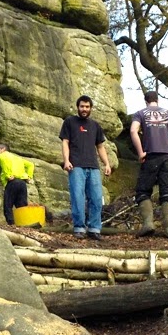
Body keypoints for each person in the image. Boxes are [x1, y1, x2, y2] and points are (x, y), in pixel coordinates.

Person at [130, 90, 168, 237]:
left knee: (143, 192)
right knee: (166, 192)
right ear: (157, 100)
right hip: (166, 157)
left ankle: (148, 224)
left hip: (150, 156)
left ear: (146, 101)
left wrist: (140, 153)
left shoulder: (140, 114)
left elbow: (133, 131)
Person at [59, 95, 112, 240]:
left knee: (96, 198)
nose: (84, 109)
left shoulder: (95, 125)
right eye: (82, 106)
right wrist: (66, 160)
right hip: (76, 165)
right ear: (78, 107)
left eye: (87, 107)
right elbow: (65, 142)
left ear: (91, 108)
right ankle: (79, 228)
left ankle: (94, 229)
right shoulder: (70, 121)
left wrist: (107, 164)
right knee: (78, 197)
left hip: (93, 167)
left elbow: (100, 146)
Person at [0, 144, 35, 225]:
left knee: (8, 204)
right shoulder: (17, 158)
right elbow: (31, 165)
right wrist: (29, 176)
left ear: (3, 149)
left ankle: (11, 224)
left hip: (12, 182)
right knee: (21, 205)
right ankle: (25, 223)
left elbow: (4, 163)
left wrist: (8, 175)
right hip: (22, 183)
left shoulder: (2, 156)